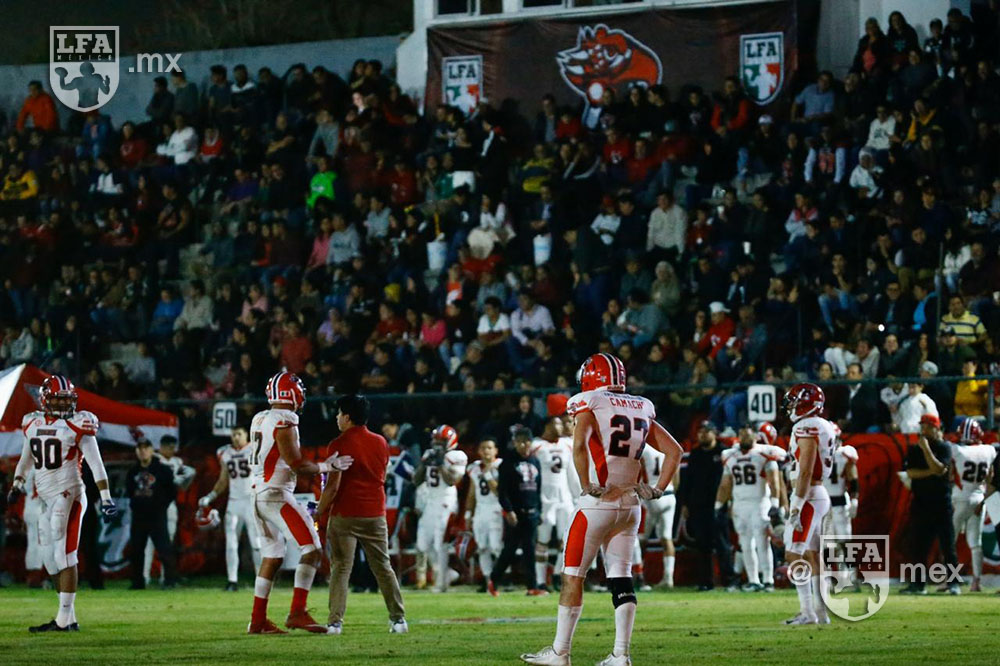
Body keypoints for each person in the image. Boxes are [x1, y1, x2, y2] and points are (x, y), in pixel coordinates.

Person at [521, 353, 683, 666]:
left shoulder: (589, 401)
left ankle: (560, 652)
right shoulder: (642, 405)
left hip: (598, 504)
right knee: (622, 577)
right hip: (631, 505)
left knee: (572, 575)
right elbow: (675, 451)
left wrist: (585, 482)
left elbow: (580, 444)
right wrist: (658, 488)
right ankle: (621, 654)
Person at [246, 372, 353, 634]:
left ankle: (257, 620)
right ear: (291, 393)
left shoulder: (260, 417)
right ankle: (297, 612)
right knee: (312, 549)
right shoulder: (285, 419)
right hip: (275, 495)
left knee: (272, 556)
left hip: (257, 494)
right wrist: (328, 466)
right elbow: (297, 464)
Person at [8, 376, 117, 631]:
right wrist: (17, 483)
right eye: (58, 400)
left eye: (67, 400)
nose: (63, 405)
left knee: (64, 555)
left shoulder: (78, 424)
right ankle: (68, 619)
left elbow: (96, 464)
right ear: (45, 399)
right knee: (49, 559)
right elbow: (26, 458)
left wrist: (106, 497)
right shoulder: (32, 422)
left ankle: (62, 620)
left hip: (70, 493)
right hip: (45, 497)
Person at [316, 394, 407, 635]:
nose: (337, 418)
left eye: (339, 414)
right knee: (383, 567)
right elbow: (382, 475)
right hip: (374, 512)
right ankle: (398, 620)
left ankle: (335, 622)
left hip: (345, 514)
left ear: (347, 417)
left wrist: (319, 510)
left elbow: (332, 487)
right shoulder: (381, 442)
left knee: (341, 569)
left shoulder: (338, 444)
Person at [781, 382, 836, 625]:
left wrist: (796, 502)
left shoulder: (807, 425)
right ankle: (821, 612)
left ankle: (808, 612)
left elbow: (806, 470)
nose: (791, 406)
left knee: (793, 553)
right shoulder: (823, 425)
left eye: (795, 401)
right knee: (813, 555)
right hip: (817, 493)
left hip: (809, 495)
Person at [715, 425, 784, 592]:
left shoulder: (764, 453)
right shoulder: (730, 455)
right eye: (742, 435)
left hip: (760, 502)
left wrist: (775, 504)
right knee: (745, 543)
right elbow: (725, 484)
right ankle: (753, 580)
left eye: (748, 435)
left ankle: (768, 580)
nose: (744, 438)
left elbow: (774, 481)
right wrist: (718, 505)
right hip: (739, 504)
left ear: (755, 437)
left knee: (762, 541)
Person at [901, 414, 958, 595]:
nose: (924, 430)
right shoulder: (914, 449)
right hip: (921, 502)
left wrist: (926, 450)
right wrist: (930, 471)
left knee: (948, 546)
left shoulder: (944, 447)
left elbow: (940, 469)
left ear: (937, 428)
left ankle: (953, 583)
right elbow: (911, 473)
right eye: (922, 427)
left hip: (941, 503)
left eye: (927, 427)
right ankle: (918, 584)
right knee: (918, 546)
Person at [198, 426, 261, 591]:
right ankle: (232, 581)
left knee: (257, 543)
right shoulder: (225, 452)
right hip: (234, 502)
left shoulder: (256, 448)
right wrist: (210, 496)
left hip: (252, 501)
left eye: (239, 434)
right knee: (231, 544)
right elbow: (223, 480)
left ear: (246, 435)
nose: (236, 437)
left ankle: (261, 580)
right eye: (233, 435)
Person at [489, 425, 544, 597]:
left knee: (530, 551)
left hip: (532, 512)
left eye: (526, 441)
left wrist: (539, 510)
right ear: (514, 443)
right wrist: (509, 510)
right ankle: (493, 580)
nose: (523, 445)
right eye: (519, 441)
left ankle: (532, 586)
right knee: (510, 550)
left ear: (531, 442)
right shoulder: (508, 463)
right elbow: (502, 492)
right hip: (516, 513)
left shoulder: (535, 461)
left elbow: (538, 489)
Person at [412, 424, 468, 592]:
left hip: (446, 501)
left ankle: (441, 583)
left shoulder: (457, 456)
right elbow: (416, 480)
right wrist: (424, 464)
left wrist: (441, 463)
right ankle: (448, 574)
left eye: (441, 441)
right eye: (436, 440)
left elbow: (452, 481)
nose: (437, 444)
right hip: (430, 501)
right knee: (423, 544)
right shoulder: (429, 454)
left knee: (439, 543)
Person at [679, 421, 733, 591]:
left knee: (722, 543)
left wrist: (730, 501)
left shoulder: (724, 452)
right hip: (698, 505)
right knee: (702, 545)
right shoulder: (695, 454)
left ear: (714, 433)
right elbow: (688, 481)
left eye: (706, 431)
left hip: (718, 505)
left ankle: (728, 580)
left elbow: (730, 480)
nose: (702, 434)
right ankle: (705, 581)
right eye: (700, 431)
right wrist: (685, 504)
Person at [949, 419, 995, 592]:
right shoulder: (989, 450)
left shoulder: (957, 450)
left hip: (960, 498)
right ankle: (976, 581)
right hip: (978, 498)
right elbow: (990, 476)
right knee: (975, 543)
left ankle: (950, 580)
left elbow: (950, 474)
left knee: (950, 541)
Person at [126, 438, 178, 591]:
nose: (143, 451)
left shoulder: (163, 470)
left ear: (151, 450)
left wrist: (161, 506)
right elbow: (129, 490)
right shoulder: (133, 471)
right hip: (139, 515)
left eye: (146, 448)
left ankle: (169, 580)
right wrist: (136, 504)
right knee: (137, 549)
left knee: (164, 548)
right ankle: (138, 581)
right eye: (140, 448)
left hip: (157, 515)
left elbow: (172, 491)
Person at [531, 414, 575, 591]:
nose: (561, 427)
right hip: (545, 500)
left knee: (567, 541)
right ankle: (541, 581)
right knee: (543, 541)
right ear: (548, 426)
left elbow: (572, 473)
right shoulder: (536, 446)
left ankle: (557, 574)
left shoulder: (567, 444)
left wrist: (577, 496)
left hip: (565, 498)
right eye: (557, 424)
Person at [143, 434, 194, 585]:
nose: (172, 451)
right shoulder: (153, 459)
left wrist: (187, 478)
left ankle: (166, 577)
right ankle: (144, 576)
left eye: (173, 448)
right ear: (162, 447)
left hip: (170, 504)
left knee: (168, 542)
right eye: (169, 447)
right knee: (149, 542)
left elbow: (182, 486)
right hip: (154, 504)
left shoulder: (177, 462)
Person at [640, 436, 679, 588]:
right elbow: (676, 477)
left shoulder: (644, 448)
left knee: (641, 540)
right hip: (669, 494)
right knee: (666, 539)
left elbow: (637, 473)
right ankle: (668, 578)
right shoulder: (670, 448)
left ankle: (638, 576)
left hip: (651, 495)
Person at [465, 439, 504, 591]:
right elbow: (471, 493)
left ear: (496, 450)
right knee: (482, 547)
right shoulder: (474, 467)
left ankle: (501, 578)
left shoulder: (501, 465)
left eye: (489, 447)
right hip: (480, 510)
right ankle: (488, 579)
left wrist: (487, 474)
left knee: (496, 546)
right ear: (479, 451)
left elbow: (500, 492)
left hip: (496, 508)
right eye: (483, 448)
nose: (486, 451)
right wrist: (468, 514)